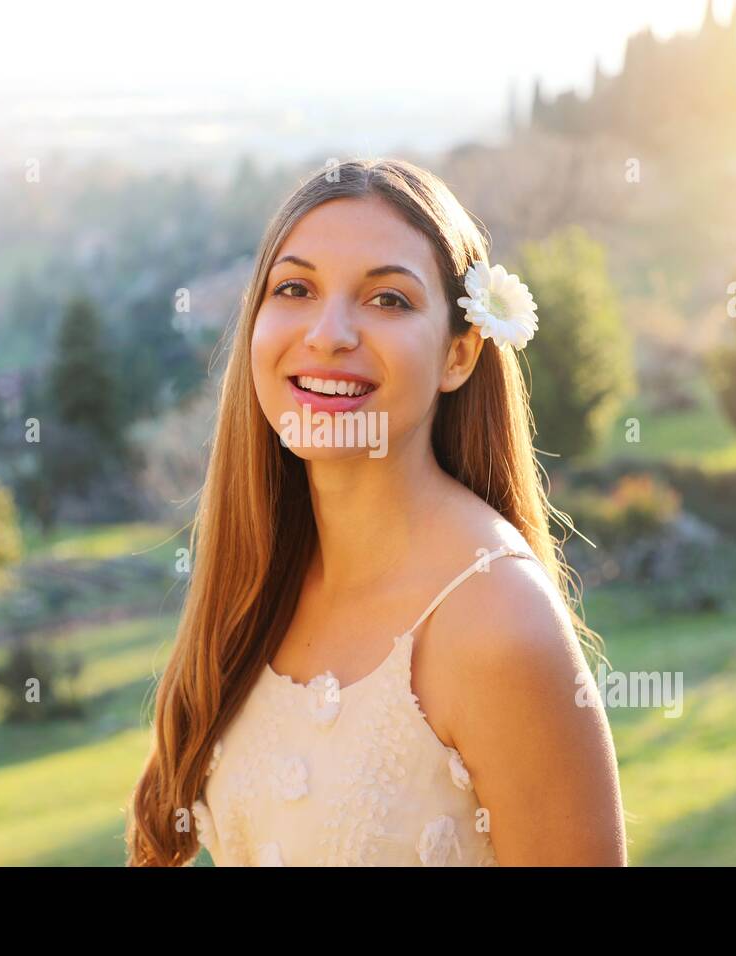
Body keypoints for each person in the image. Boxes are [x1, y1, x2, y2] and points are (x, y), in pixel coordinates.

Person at [126, 157, 626, 866]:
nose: (328, 334)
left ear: (459, 354)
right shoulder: (263, 582)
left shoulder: (495, 619)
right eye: (295, 288)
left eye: (388, 300)